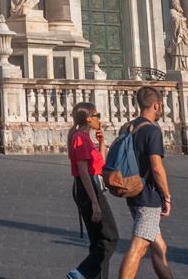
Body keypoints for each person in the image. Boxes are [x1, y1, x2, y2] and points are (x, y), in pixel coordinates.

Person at [117, 86, 174, 279]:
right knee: (138, 248)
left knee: (159, 247)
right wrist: (166, 195)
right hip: (148, 198)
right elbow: (156, 167)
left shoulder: (127, 127)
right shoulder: (152, 131)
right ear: (156, 105)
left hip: (131, 192)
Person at [65, 102, 118, 279]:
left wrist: (101, 143)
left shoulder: (85, 138)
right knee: (111, 238)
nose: (99, 119)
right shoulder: (80, 138)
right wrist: (95, 202)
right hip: (88, 189)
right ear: (89, 118)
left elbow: (99, 165)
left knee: (99, 241)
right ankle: (81, 273)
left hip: (91, 187)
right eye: (97, 115)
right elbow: (83, 172)